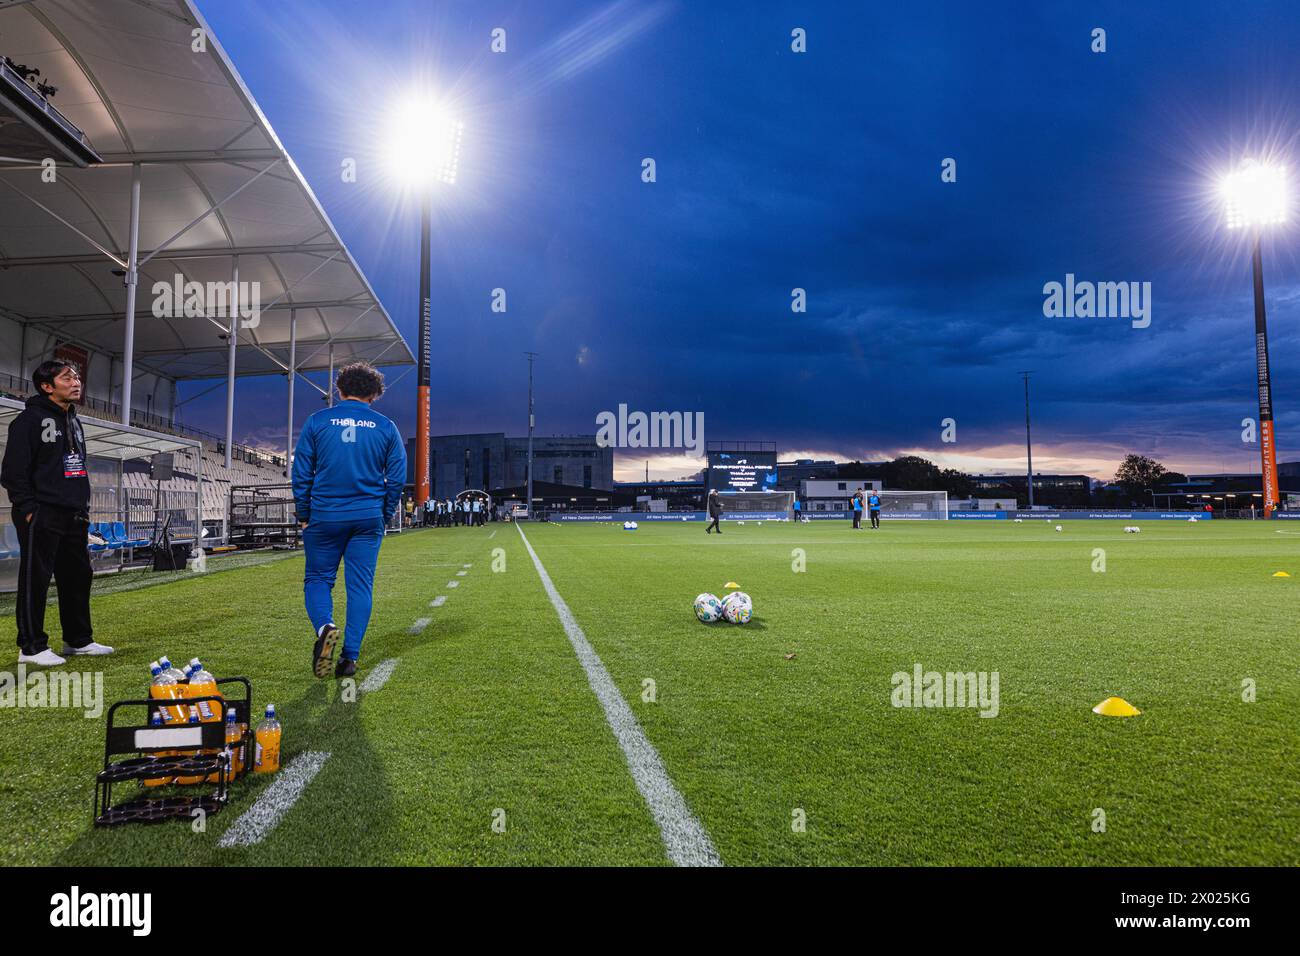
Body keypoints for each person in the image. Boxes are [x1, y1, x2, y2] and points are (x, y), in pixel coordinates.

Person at [293, 362, 406, 679]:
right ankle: (349, 659)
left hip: (324, 517)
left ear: (340, 390)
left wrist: (304, 514)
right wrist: (382, 516)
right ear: (374, 394)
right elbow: (396, 479)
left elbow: (301, 474)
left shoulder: (317, 421)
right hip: (367, 517)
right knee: (360, 588)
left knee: (317, 580)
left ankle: (325, 627)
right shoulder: (386, 427)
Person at [1, 360, 114, 666]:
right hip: (41, 512)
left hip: (73, 514)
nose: (76, 382)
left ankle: (78, 640)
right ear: (47, 387)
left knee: (77, 577)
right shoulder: (29, 420)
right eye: (67, 378)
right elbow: (13, 471)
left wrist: (82, 508)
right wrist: (27, 510)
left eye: (77, 377)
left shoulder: (74, 421)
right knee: (35, 578)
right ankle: (31, 647)